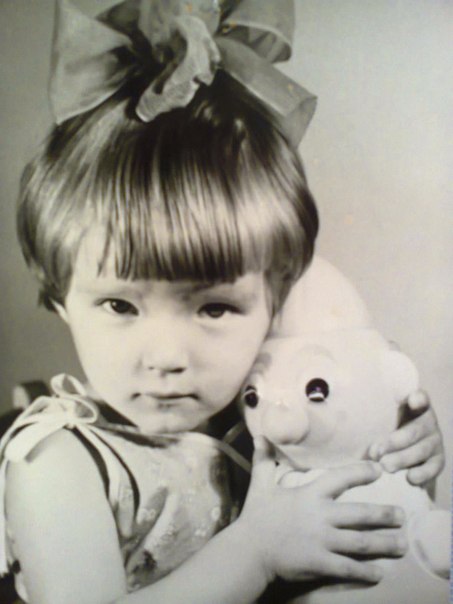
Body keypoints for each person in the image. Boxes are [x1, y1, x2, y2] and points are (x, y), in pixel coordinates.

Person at [0, 1, 444, 603]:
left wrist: (399, 449)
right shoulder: (58, 462)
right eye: (121, 307)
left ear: (274, 300)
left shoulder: (257, 417)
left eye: (213, 308)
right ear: (60, 297)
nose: (166, 357)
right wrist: (255, 551)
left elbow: (377, 545)